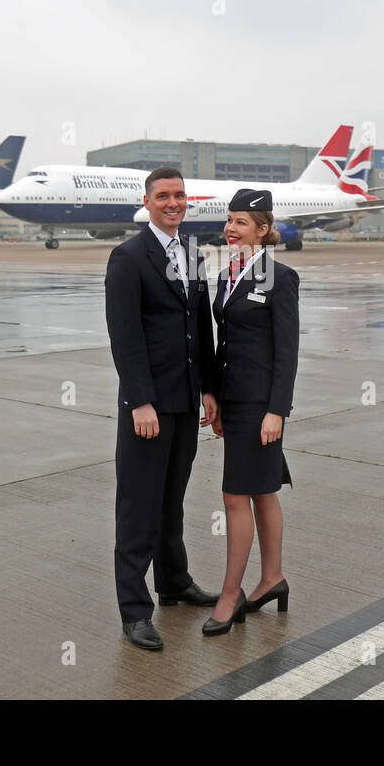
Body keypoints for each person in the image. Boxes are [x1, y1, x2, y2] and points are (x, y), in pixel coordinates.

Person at [104, 166, 221, 651]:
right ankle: (134, 611)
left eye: (180, 195)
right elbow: (125, 336)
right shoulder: (128, 257)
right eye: (164, 196)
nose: (173, 203)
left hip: (185, 400)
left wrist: (209, 388)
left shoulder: (191, 253)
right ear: (147, 202)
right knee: (138, 506)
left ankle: (173, 581)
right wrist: (140, 401)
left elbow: (201, 325)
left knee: (173, 497)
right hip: (149, 406)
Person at [202, 188, 299, 637]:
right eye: (229, 220)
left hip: (261, 407)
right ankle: (272, 579)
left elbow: (287, 353)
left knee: (235, 496)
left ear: (263, 230)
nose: (230, 228)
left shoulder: (281, 277)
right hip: (235, 402)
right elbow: (225, 346)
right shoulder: (228, 276)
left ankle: (230, 594)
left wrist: (277, 411)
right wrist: (215, 396)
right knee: (262, 491)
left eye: (241, 222)